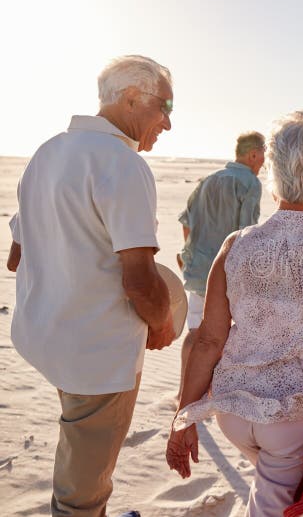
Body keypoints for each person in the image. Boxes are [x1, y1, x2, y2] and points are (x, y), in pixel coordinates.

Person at [166, 111, 303, 516]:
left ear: (272, 170)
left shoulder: (236, 244)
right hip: (294, 416)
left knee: (272, 492)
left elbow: (209, 339)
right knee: (286, 502)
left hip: (233, 410)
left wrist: (184, 416)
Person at [10, 55, 176, 516]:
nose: (167, 122)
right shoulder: (122, 164)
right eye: (165, 107)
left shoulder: (46, 152)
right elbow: (141, 282)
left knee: (78, 437)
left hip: (43, 336)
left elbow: (15, 255)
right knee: (83, 488)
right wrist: (162, 325)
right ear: (130, 99)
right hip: (96, 353)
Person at [177, 131, 265, 399]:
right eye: (263, 155)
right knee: (224, 335)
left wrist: (191, 256)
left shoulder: (208, 180)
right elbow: (246, 232)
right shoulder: (250, 182)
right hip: (227, 273)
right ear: (252, 154)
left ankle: (184, 392)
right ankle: (214, 393)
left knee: (195, 332)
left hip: (198, 269)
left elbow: (186, 224)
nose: (264, 162)